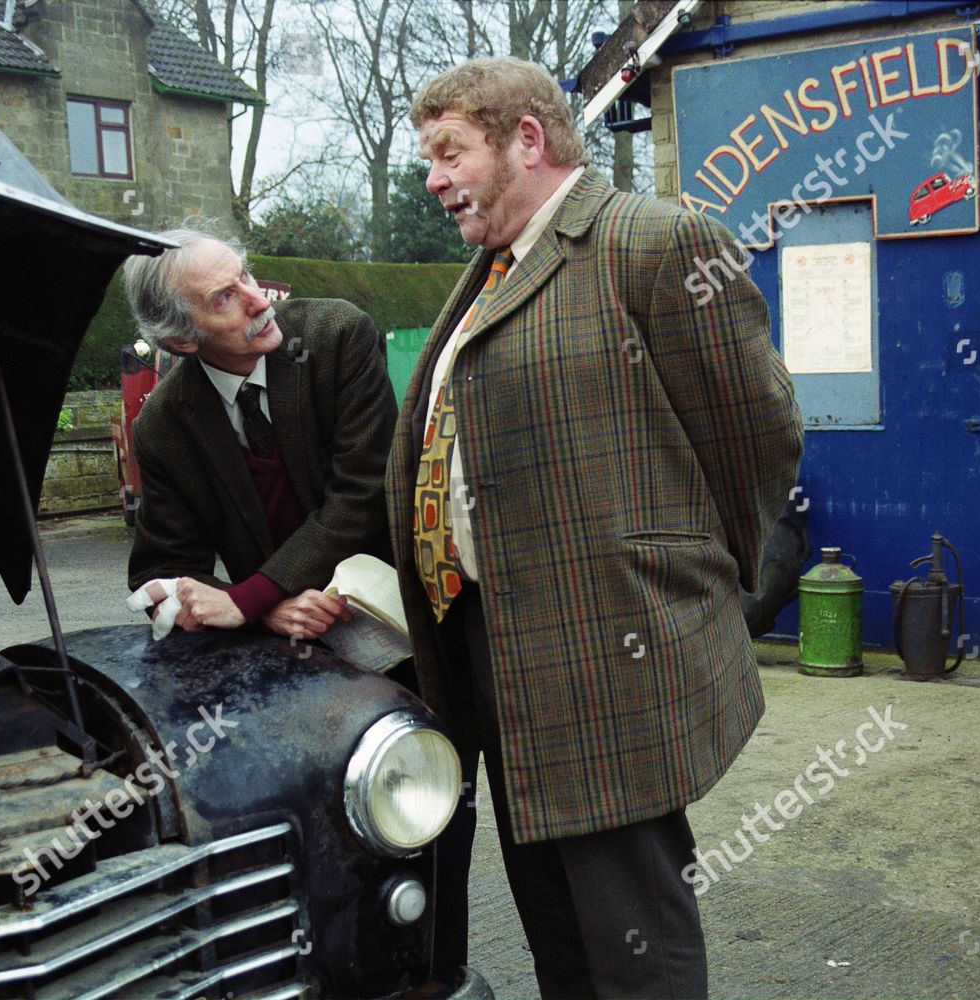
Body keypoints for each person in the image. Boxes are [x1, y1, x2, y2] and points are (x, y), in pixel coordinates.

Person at [385, 59, 805, 998]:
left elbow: (760, 432)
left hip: (609, 650)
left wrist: (686, 577)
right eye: (429, 160)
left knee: (634, 941)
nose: (434, 180)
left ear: (527, 139)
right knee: (559, 934)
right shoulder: (492, 268)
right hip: (496, 647)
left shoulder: (653, 241)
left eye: (450, 152)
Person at [123, 228, 395, 641]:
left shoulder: (337, 336)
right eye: (224, 298)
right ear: (182, 339)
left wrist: (249, 600)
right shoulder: (162, 426)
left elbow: (365, 493)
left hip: (392, 621)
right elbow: (162, 570)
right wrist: (263, 611)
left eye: (245, 275)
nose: (260, 301)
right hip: (281, 653)